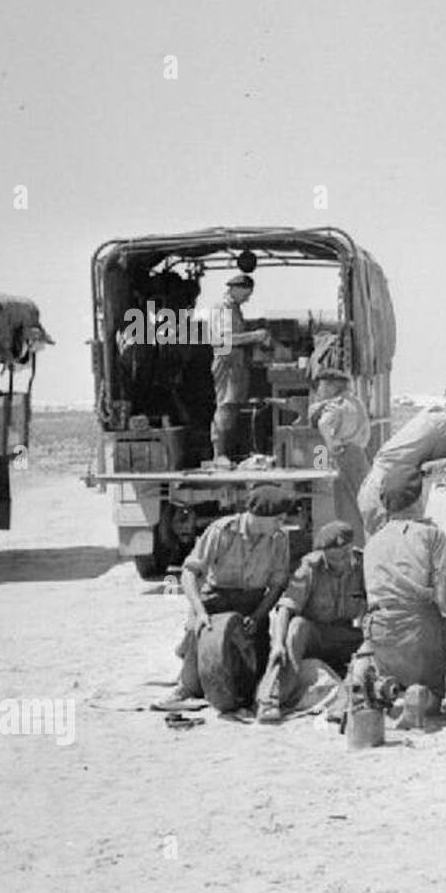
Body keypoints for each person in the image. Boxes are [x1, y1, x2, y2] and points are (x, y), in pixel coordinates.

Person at [162, 486, 294, 708]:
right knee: (199, 647)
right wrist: (201, 613)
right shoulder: (221, 531)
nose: (282, 523)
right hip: (215, 599)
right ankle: (184, 687)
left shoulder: (279, 539)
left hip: (251, 604)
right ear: (260, 517)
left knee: (255, 675)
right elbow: (188, 574)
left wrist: (259, 616)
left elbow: (277, 585)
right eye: (278, 519)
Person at [361, 477, 446, 720]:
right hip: (418, 628)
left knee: (390, 673)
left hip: (378, 628)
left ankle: (386, 690)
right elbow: (442, 598)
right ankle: (420, 697)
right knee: (434, 698)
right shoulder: (431, 535)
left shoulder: (373, 541)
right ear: (419, 500)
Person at [255, 519, 366, 722]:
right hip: (315, 636)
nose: (341, 561)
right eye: (334, 557)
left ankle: (348, 700)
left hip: (344, 637)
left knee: (376, 636)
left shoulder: (363, 565)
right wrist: (278, 643)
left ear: (351, 547)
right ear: (324, 553)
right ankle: (270, 700)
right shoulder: (310, 567)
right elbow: (285, 608)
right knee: (297, 627)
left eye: (345, 553)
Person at [357, 377, 446, 537]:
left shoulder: (434, 416)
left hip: (377, 488)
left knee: (384, 551)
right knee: (396, 549)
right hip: (388, 490)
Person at [210, 269, 271, 466]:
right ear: (235, 289)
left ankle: (227, 454)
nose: (247, 299)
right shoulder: (223, 308)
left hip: (236, 365)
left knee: (233, 408)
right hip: (226, 365)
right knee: (225, 407)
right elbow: (223, 339)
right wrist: (255, 336)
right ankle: (219, 454)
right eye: (246, 294)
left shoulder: (234, 308)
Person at [309, 368, 371, 544]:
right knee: (360, 505)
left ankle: (352, 546)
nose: (319, 390)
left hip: (344, 456)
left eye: (321, 386)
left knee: (346, 508)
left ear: (331, 386)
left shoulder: (336, 404)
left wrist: (330, 444)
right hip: (359, 455)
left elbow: (323, 423)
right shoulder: (356, 402)